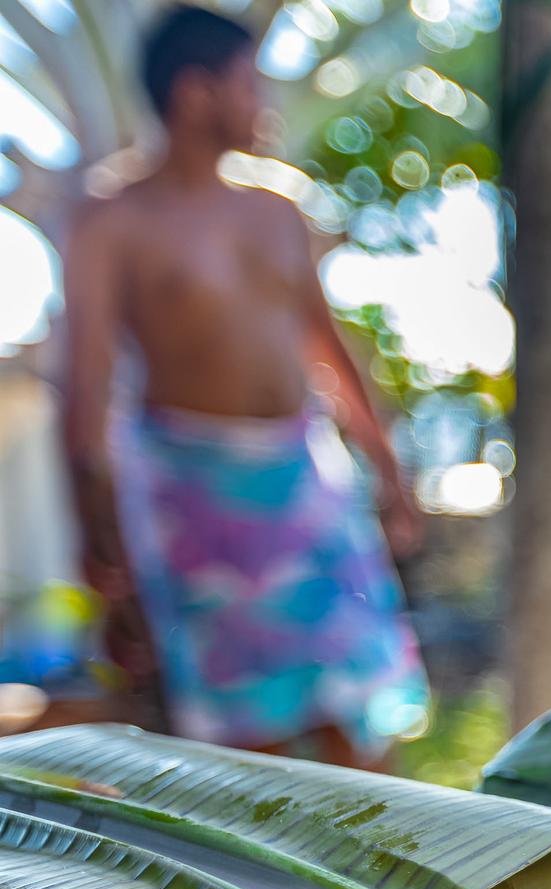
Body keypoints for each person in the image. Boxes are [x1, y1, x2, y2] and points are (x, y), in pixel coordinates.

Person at [60, 5, 429, 768]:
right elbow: (85, 396)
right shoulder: (113, 221)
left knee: (362, 712)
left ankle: (373, 876)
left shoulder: (278, 212)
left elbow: (328, 351)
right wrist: (100, 549)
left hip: (303, 476)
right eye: (248, 84)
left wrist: (388, 467)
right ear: (196, 94)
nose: (262, 104)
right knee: (240, 737)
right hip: (189, 493)